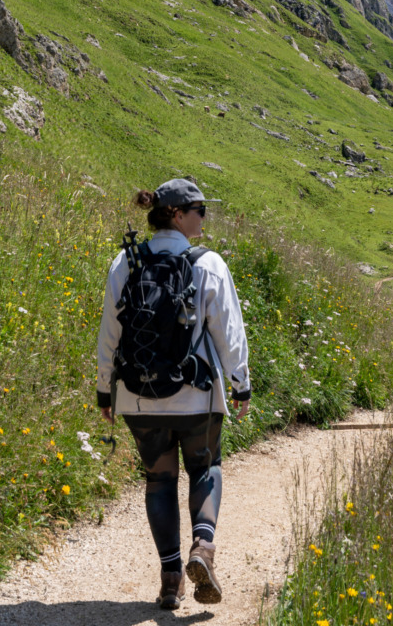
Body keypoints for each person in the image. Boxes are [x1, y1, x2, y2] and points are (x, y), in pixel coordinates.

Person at [97, 178, 251, 610]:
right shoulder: (209, 263)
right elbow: (229, 333)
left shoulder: (126, 262)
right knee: (205, 467)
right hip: (195, 394)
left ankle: (170, 580)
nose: (205, 216)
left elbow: (109, 331)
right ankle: (203, 548)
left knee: (159, 479)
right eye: (200, 210)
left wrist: (104, 390)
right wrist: (240, 383)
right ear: (178, 215)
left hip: (138, 395)